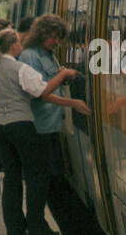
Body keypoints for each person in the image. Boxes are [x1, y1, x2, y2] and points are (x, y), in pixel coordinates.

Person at [0, 29, 82, 235]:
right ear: (15, 46)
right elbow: (42, 91)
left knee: (12, 177)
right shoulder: (20, 69)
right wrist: (62, 75)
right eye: (19, 42)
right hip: (21, 125)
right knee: (37, 175)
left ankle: (14, 228)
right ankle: (36, 225)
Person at [18, 14, 89, 178]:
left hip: (51, 125)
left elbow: (51, 83)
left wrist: (61, 76)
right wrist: (64, 79)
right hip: (38, 127)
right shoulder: (30, 56)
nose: (57, 42)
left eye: (59, 38)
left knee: (52, 175)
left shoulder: (49, 54)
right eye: (54, 37)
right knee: (41, 177)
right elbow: (41, 93)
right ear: (42, 34)